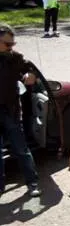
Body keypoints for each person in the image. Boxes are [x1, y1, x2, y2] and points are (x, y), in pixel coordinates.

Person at [0, 23, 41, 197]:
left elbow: (31, 71)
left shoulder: (15, 58)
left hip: (10, 111)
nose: (11, 47)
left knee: (21, 149)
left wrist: (31, 76)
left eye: (12, 44)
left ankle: (32, 183)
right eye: (7, 44)